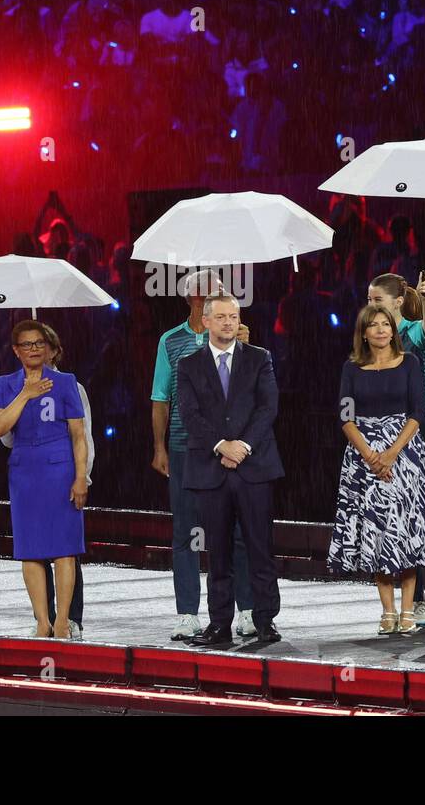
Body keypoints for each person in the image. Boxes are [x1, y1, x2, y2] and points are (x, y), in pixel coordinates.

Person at [330, 304, 425, 634]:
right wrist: (371, 456)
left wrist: (392, 453)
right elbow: (345, 416)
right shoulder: (352, 368)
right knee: (378, 530)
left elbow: (417, 410)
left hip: (405, 452)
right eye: (375, 325)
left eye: (387, 324)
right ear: (364, 333)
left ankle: (409, 609)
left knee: (406, 530)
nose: (382, 329)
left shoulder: (409, 363)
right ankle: (387, 610)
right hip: (363, 456)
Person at [150, 270, 255, 641]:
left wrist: (243, 348)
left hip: (233, 449)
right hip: (186, 447)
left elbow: (254, 391)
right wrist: (159, 447)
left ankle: (246, 610)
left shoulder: (238, 339)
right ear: (195, 300)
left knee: (238, 531)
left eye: (225, 295)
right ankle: (187, 614)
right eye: (214, 295)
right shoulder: (172, 341)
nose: (223, 301)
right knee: (186, 532)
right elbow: (161, 398)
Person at [176, 294, 284, 646]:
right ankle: (219, 623)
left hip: (254, 466)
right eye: (221, 317)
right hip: (211, 468)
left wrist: (243, 447)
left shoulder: (260, 358)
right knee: (217, 552)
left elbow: (268, 408)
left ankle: (264, 620)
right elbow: (190, 415)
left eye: (233, 317)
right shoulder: (189, 365)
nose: (228, 323)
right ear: (205, 321)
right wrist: (222, 446)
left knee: (259, 548)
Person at [0, 320, 89, 639]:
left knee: (63, 548)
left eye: (39, 344)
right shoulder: (5, 384)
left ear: (47, 349)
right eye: (27, 345)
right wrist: (25, 394)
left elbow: (78, 435)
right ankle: (42, 620)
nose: (34, 349)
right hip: (25, 471)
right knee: (30, 549)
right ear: (16, 351)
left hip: (60, 469)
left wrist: (80, 478)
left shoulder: (66, 382)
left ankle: (63, 621)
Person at [367, 270, 425, 626]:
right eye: (369, 300)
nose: (370, 306)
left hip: (419, 431)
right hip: (384, 433)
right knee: (396, 517)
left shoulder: (413, 331)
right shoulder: (370, 336)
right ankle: (402, 603)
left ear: (398, 302)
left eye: (377, 300)